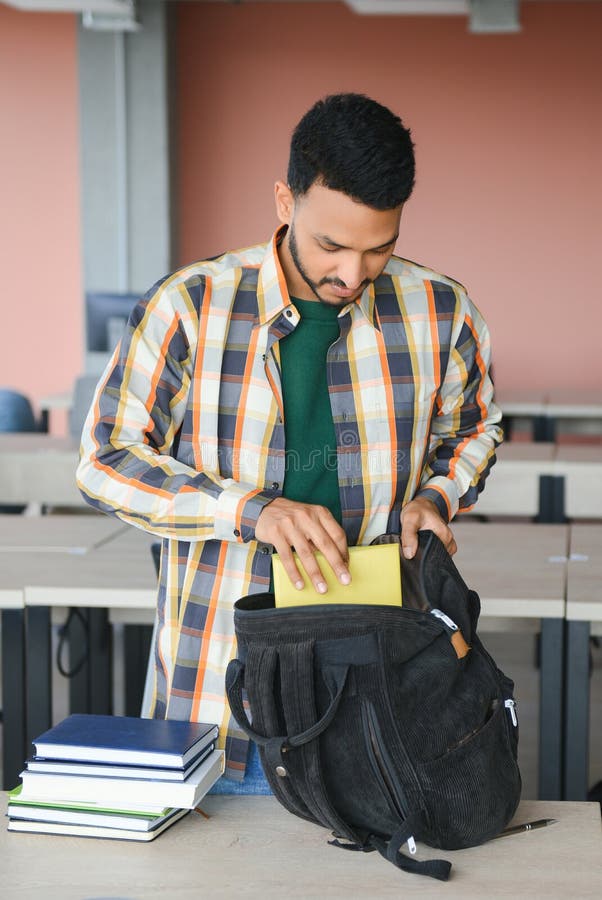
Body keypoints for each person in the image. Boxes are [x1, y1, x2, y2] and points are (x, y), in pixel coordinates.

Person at [77, 93, 503, 790]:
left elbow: (473, 430)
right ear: (285, 200)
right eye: (331, 245)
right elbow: (105, 462)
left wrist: (437, 496)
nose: (353, 275)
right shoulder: (190, 305)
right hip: (217, 688)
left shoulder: (442, 311)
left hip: (378, 682)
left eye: (379, 248)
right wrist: (251, 512)